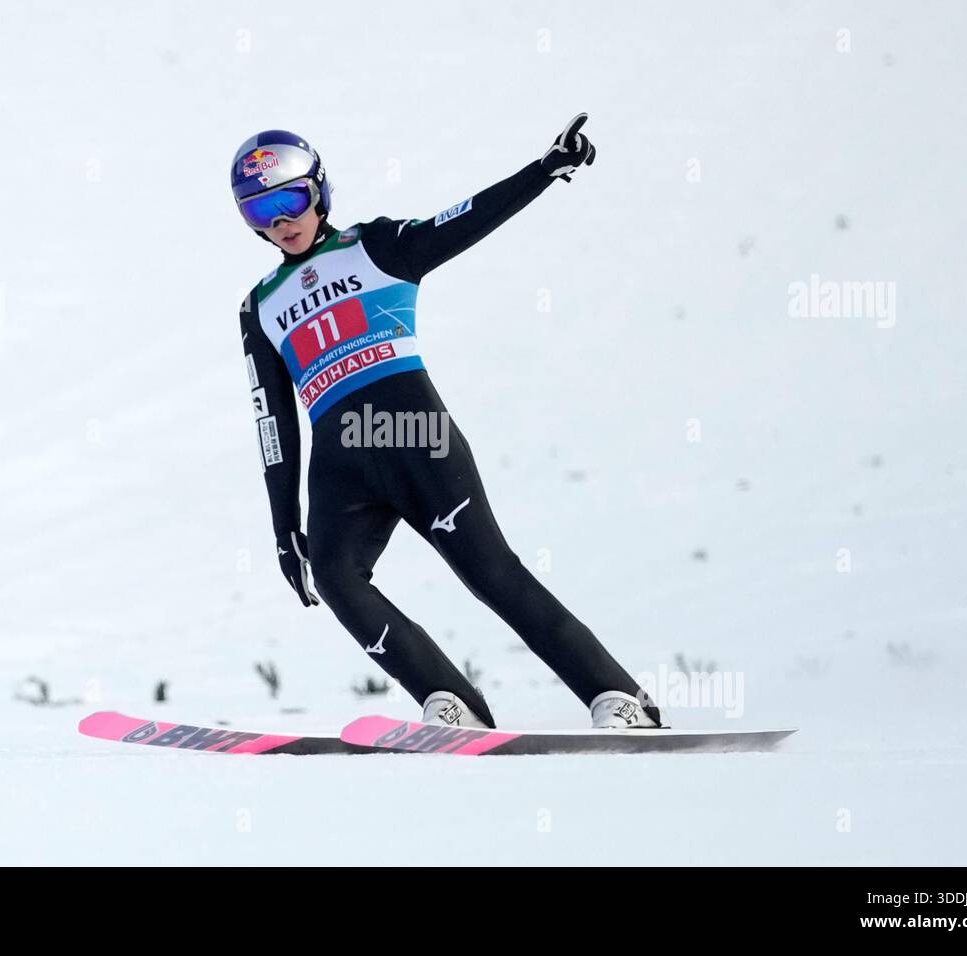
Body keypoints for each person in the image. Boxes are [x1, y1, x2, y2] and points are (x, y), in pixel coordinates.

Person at [232, 115, 665, 730]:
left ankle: (619, 698)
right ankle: (451, 703)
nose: (280, 221)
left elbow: (465, 218)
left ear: (320, 190)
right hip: (340, 463)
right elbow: (272, 421)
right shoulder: (258, 307)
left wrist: (545, 170)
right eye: (260, 211)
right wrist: (283, 524)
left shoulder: (376, 246)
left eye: (290, 199)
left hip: (414, 436)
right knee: (334, 577)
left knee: (490, 574)